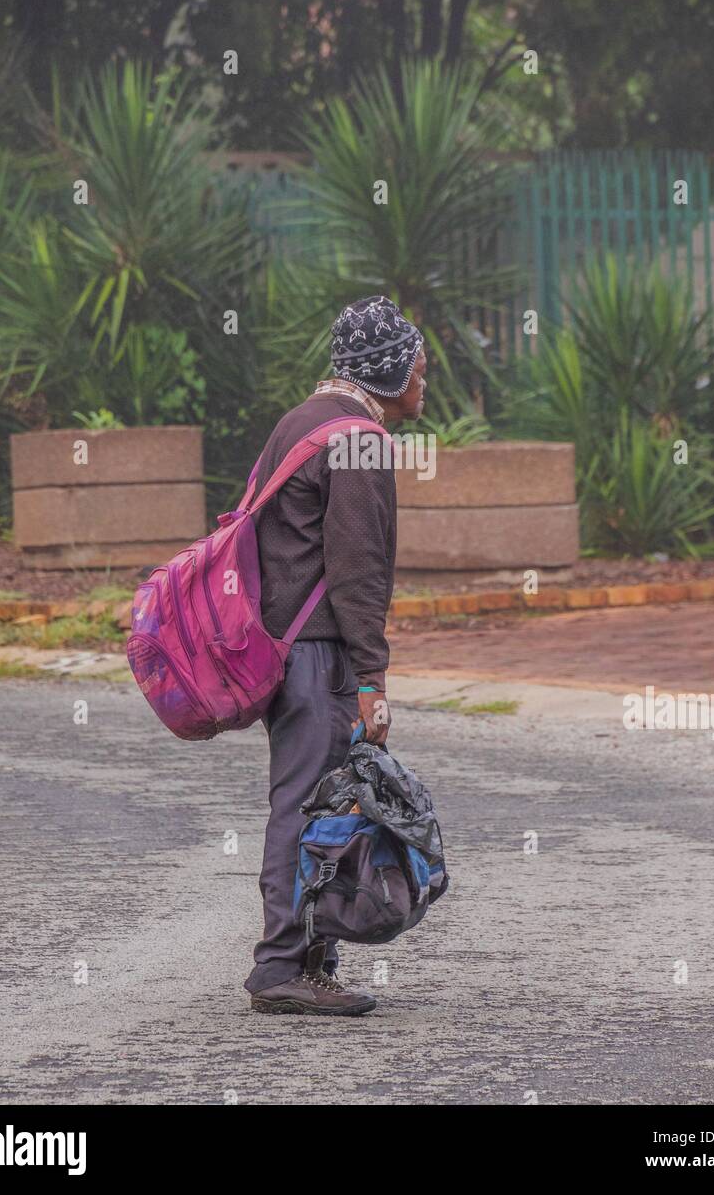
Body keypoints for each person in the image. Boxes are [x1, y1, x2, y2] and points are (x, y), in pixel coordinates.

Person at [244, 295, 427, 1016]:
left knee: (319, 803)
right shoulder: (358, 439)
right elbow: (357, 568)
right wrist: (371, 679)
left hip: (284, 648)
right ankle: (279, 969)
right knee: (303, 807)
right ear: (388, 370)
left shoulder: (301, 421)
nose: (424, 380)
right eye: (417, 365)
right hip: (316, 655)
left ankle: (310, 963)